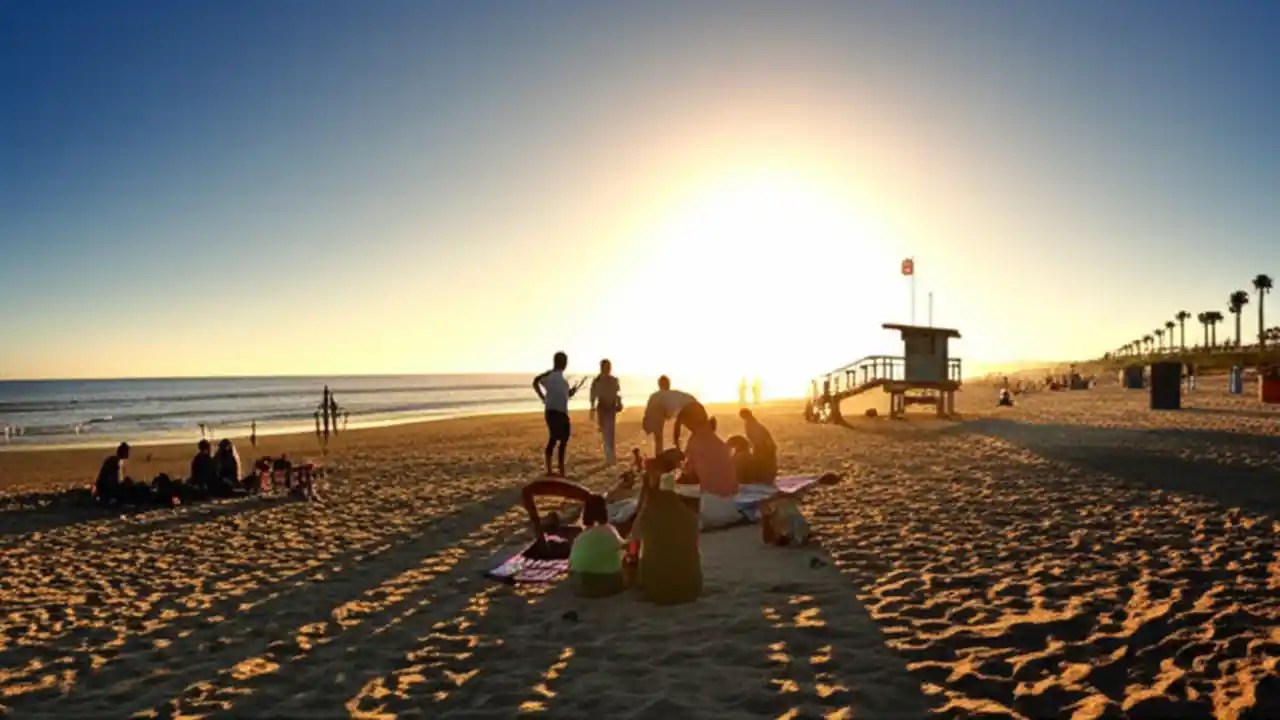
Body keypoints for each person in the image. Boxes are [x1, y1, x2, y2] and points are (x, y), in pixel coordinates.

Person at [676, 403, 741, 529]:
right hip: (731, 506)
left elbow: (688, 474)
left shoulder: (695, 442)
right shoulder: (719, 442)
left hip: (710, 511)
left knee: (672, 493)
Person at [533, 352, 585, 477]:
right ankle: (559, 471)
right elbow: (536, 381)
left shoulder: (558, 379)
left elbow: (536, 382)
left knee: (554, 438)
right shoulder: (554, 377)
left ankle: (552, 470)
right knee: (562, 440)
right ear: (565, 364)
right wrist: (542, 397)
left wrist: (572, 391)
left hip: (551, 411)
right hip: (560, 412)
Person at [568, 495, 626, 598]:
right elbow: (625, 547)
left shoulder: (580, 536)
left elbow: (570, 563)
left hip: (579, 585)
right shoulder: (609, 531)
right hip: (605, 584)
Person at [642, 376, 700, 455]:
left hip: (688, 412)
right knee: (659, 436)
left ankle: (663, 453)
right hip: (667, 416)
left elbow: (650, 412)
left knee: (659, 437)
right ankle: (662, 454)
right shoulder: (669, 395)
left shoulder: (659, 396)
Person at [589, 359, 622, 466]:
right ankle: (609, 456)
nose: (608, 369)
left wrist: (619, 403)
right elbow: (592, 395)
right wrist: (592, 408)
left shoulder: (614, 380)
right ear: (601, 368)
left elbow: (617, 394)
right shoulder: (597, 381)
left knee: (610, 433)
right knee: (605, 432)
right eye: (606, 367)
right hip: (602, 407)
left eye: (609, 367)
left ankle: (611, 457)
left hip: (611, 408)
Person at [738, 408, 778, 485]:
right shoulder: (750, 423)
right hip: (759, 446)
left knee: (763, 462)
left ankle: (764, 478)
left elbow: (761, 436)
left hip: (763, 446)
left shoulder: (752, 423)